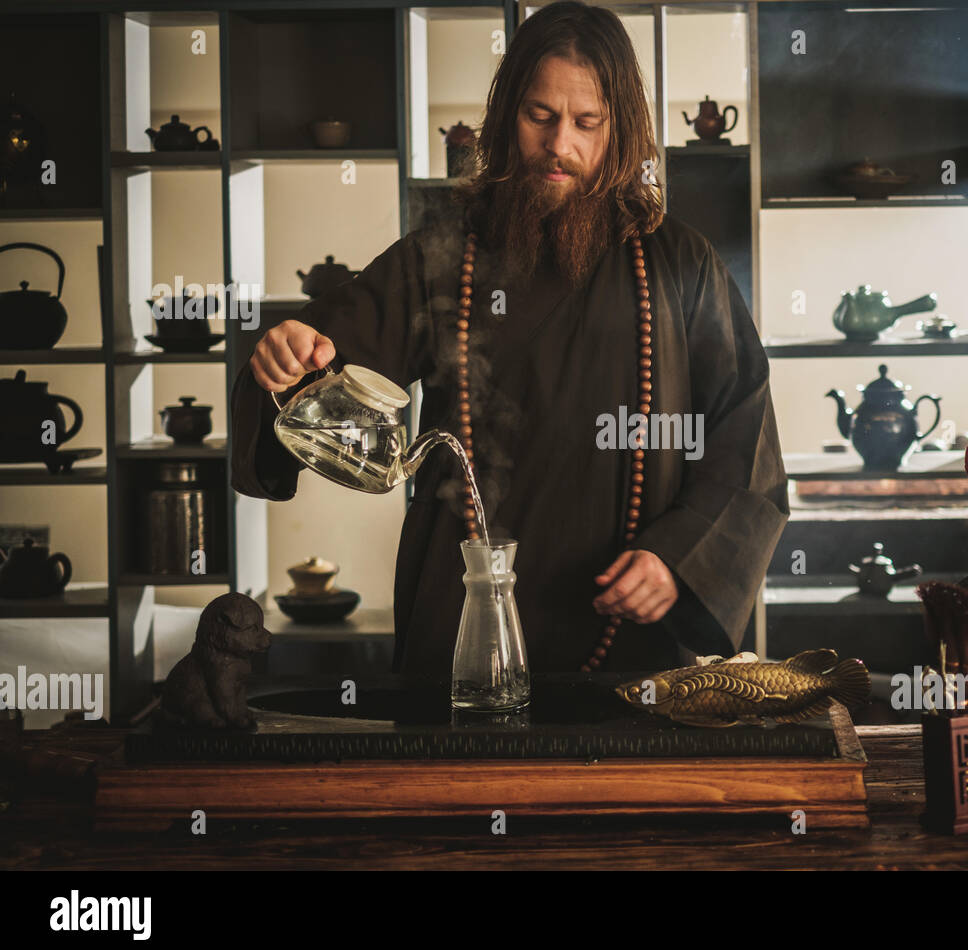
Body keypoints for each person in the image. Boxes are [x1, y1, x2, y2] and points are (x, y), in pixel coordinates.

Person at [230, 1, 788, 676]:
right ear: (505, 117)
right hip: (458, 633)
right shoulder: (439, 257)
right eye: (539, 116)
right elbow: (323, 367)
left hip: (626, 647)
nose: (560, 146)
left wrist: (681, 559)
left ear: (622, 130)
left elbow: (744, 436)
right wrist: (286, 356)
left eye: (587, 123)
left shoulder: (680, 264)